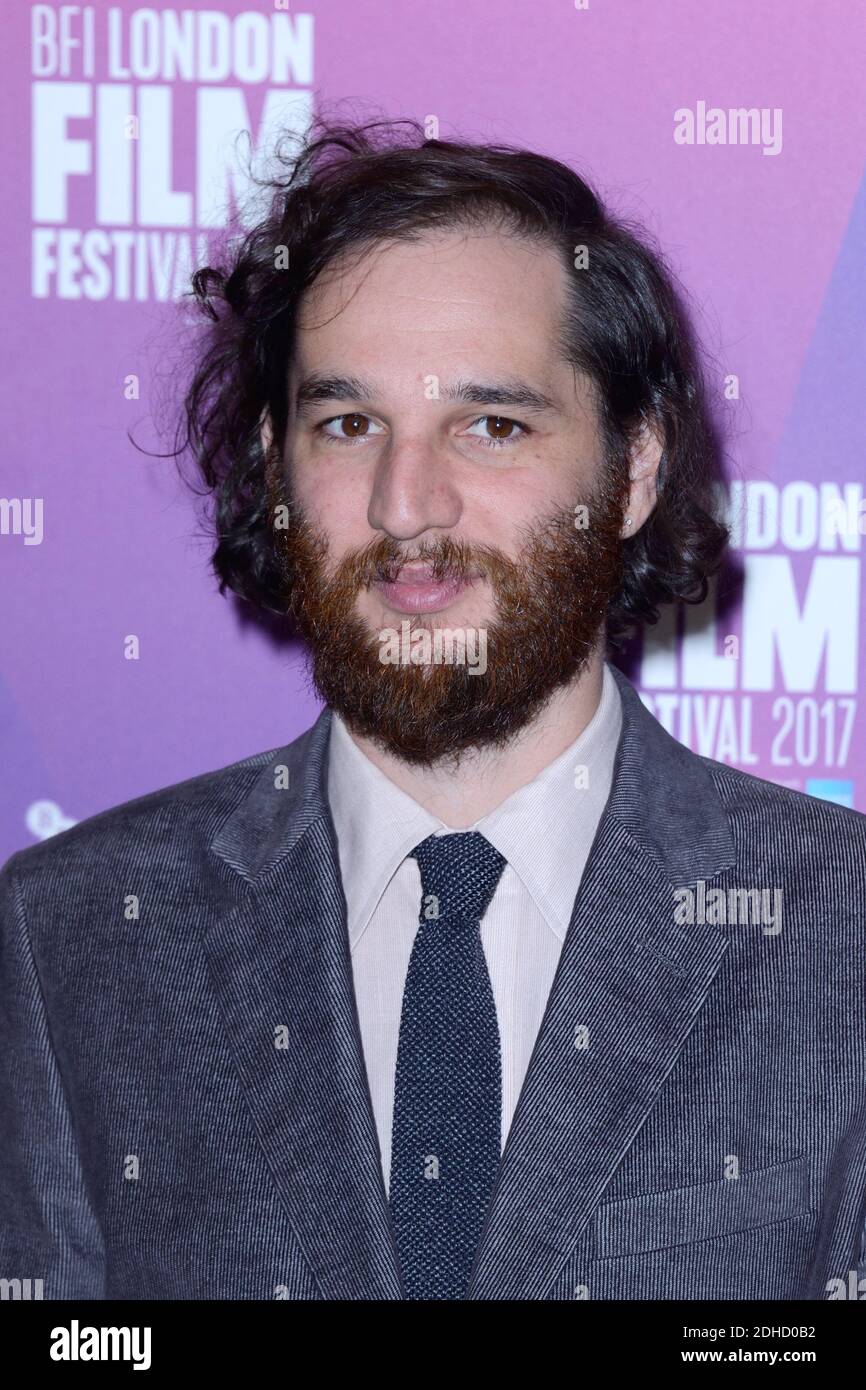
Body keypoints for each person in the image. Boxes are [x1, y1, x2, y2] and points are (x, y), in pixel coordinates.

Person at [2, 117, 864, 1302]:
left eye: (492, 425)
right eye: (348, 425)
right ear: (275, 468)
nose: (407, 504)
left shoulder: (838, 927)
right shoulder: (72, 936)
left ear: (634, 471)